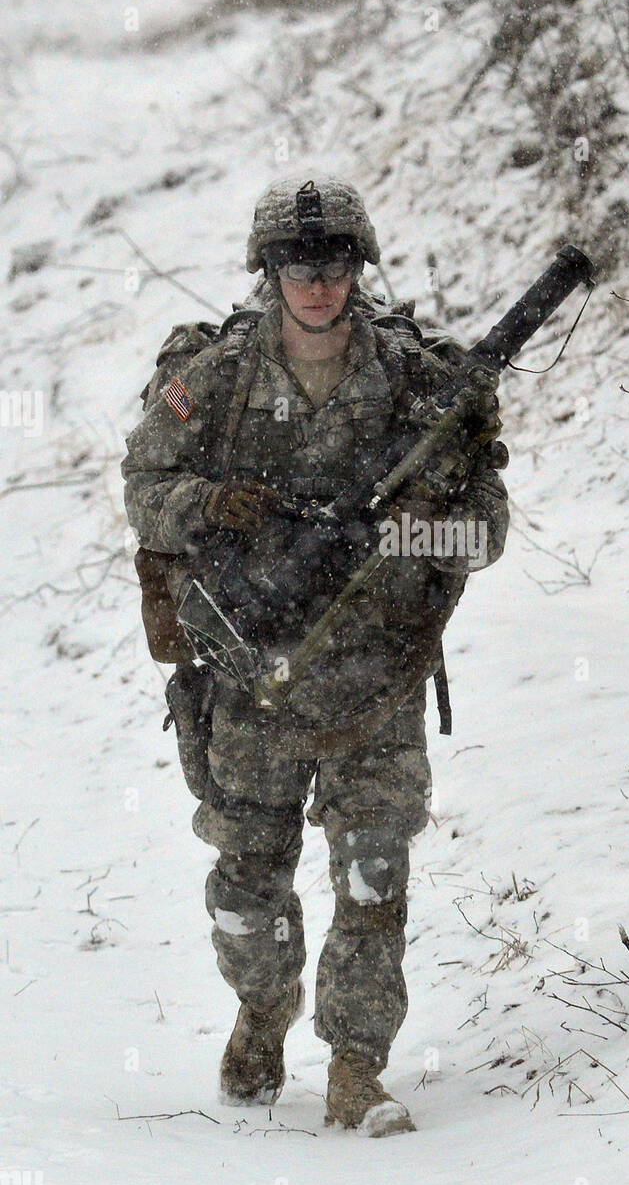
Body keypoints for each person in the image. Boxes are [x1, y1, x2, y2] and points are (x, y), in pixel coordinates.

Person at [121, 175, 509, 1136]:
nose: (320, 284)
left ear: (358, 268)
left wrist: (418, 534)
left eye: (336, 264)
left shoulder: (420, 382)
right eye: (300, 265)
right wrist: (211, 508)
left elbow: (486, 531)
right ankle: (263, 1007)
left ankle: (357, 1068)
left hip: (376, 676)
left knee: (373, 874)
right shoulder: (211, 380)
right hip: (251, 676)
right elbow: (143, 487)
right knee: (248, 886)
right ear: (269, 273)